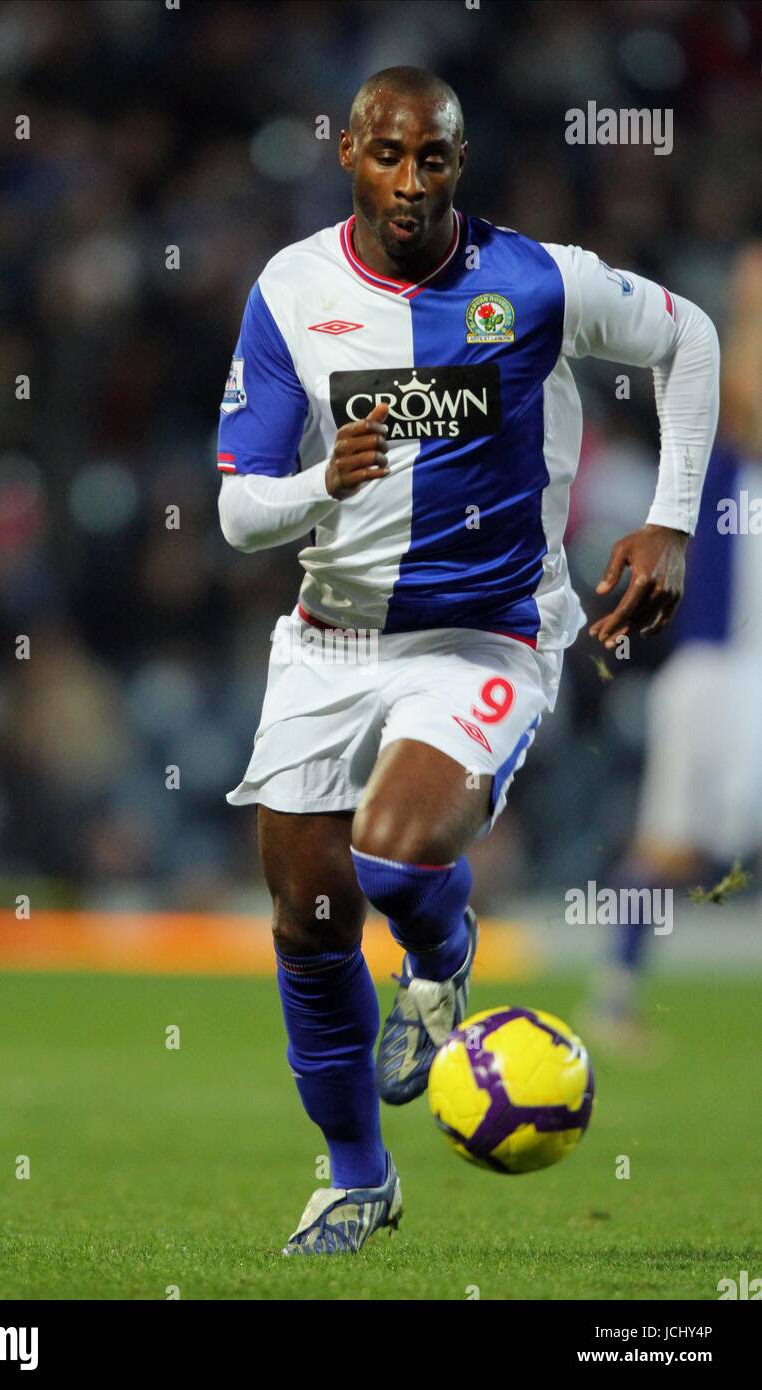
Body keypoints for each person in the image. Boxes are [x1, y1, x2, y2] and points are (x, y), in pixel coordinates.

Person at [216, 66, 719, 1254]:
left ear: (457, 162)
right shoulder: (289, 290)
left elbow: (687, 336)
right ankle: (356, 1179)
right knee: (308, 920)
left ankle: (440, 957)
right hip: (329, 640)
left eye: (431, 157)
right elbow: (237, 514)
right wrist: (320, 481)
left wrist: (670, 519)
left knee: (392, 856)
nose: (408, 180)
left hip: (482, 633)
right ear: (348, 151)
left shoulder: (534, 280)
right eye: (387, 154)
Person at [584, 244, 762, 1051]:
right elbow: (740, 397)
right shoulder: (722, 453)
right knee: (671, 849)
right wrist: (750, 311)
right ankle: (614, 995)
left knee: (691, 850)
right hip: (716, 675)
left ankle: (615, 992)